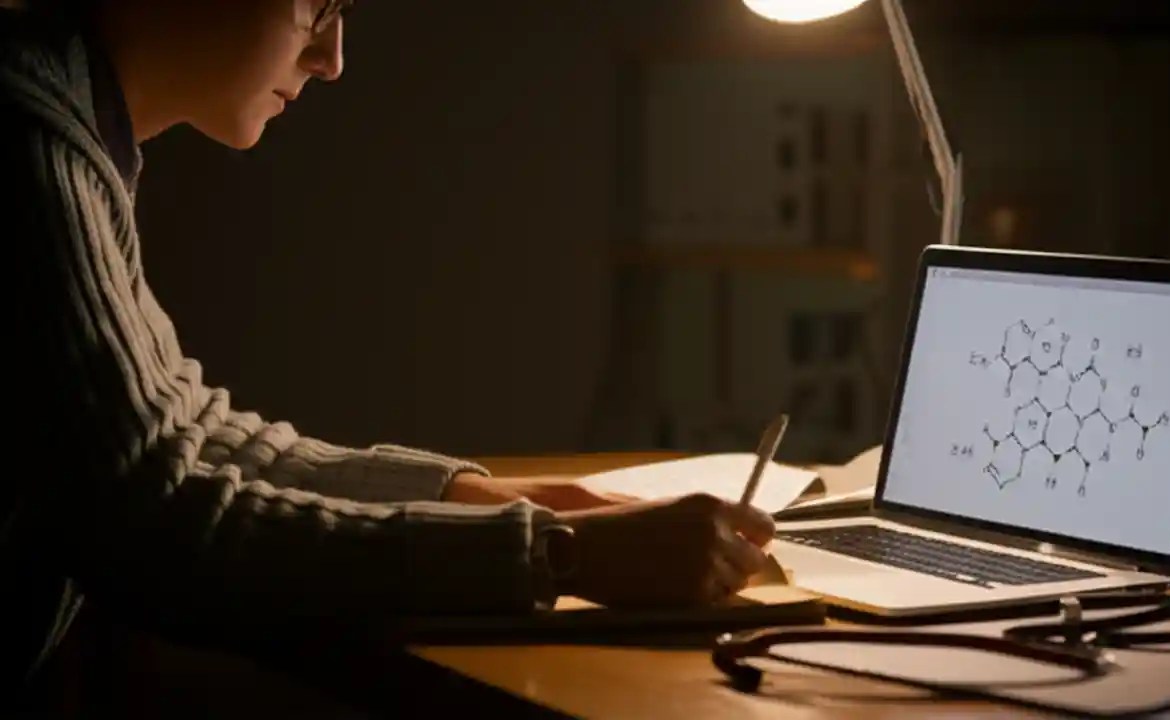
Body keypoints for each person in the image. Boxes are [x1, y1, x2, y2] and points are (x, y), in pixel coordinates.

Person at [0, 0, 776, 701]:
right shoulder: (23, 137)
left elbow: (182, 436)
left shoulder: (63, 111)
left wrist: (499, 499)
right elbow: (149, 522)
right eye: (318, 5)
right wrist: (563, 557)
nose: (331, 57)